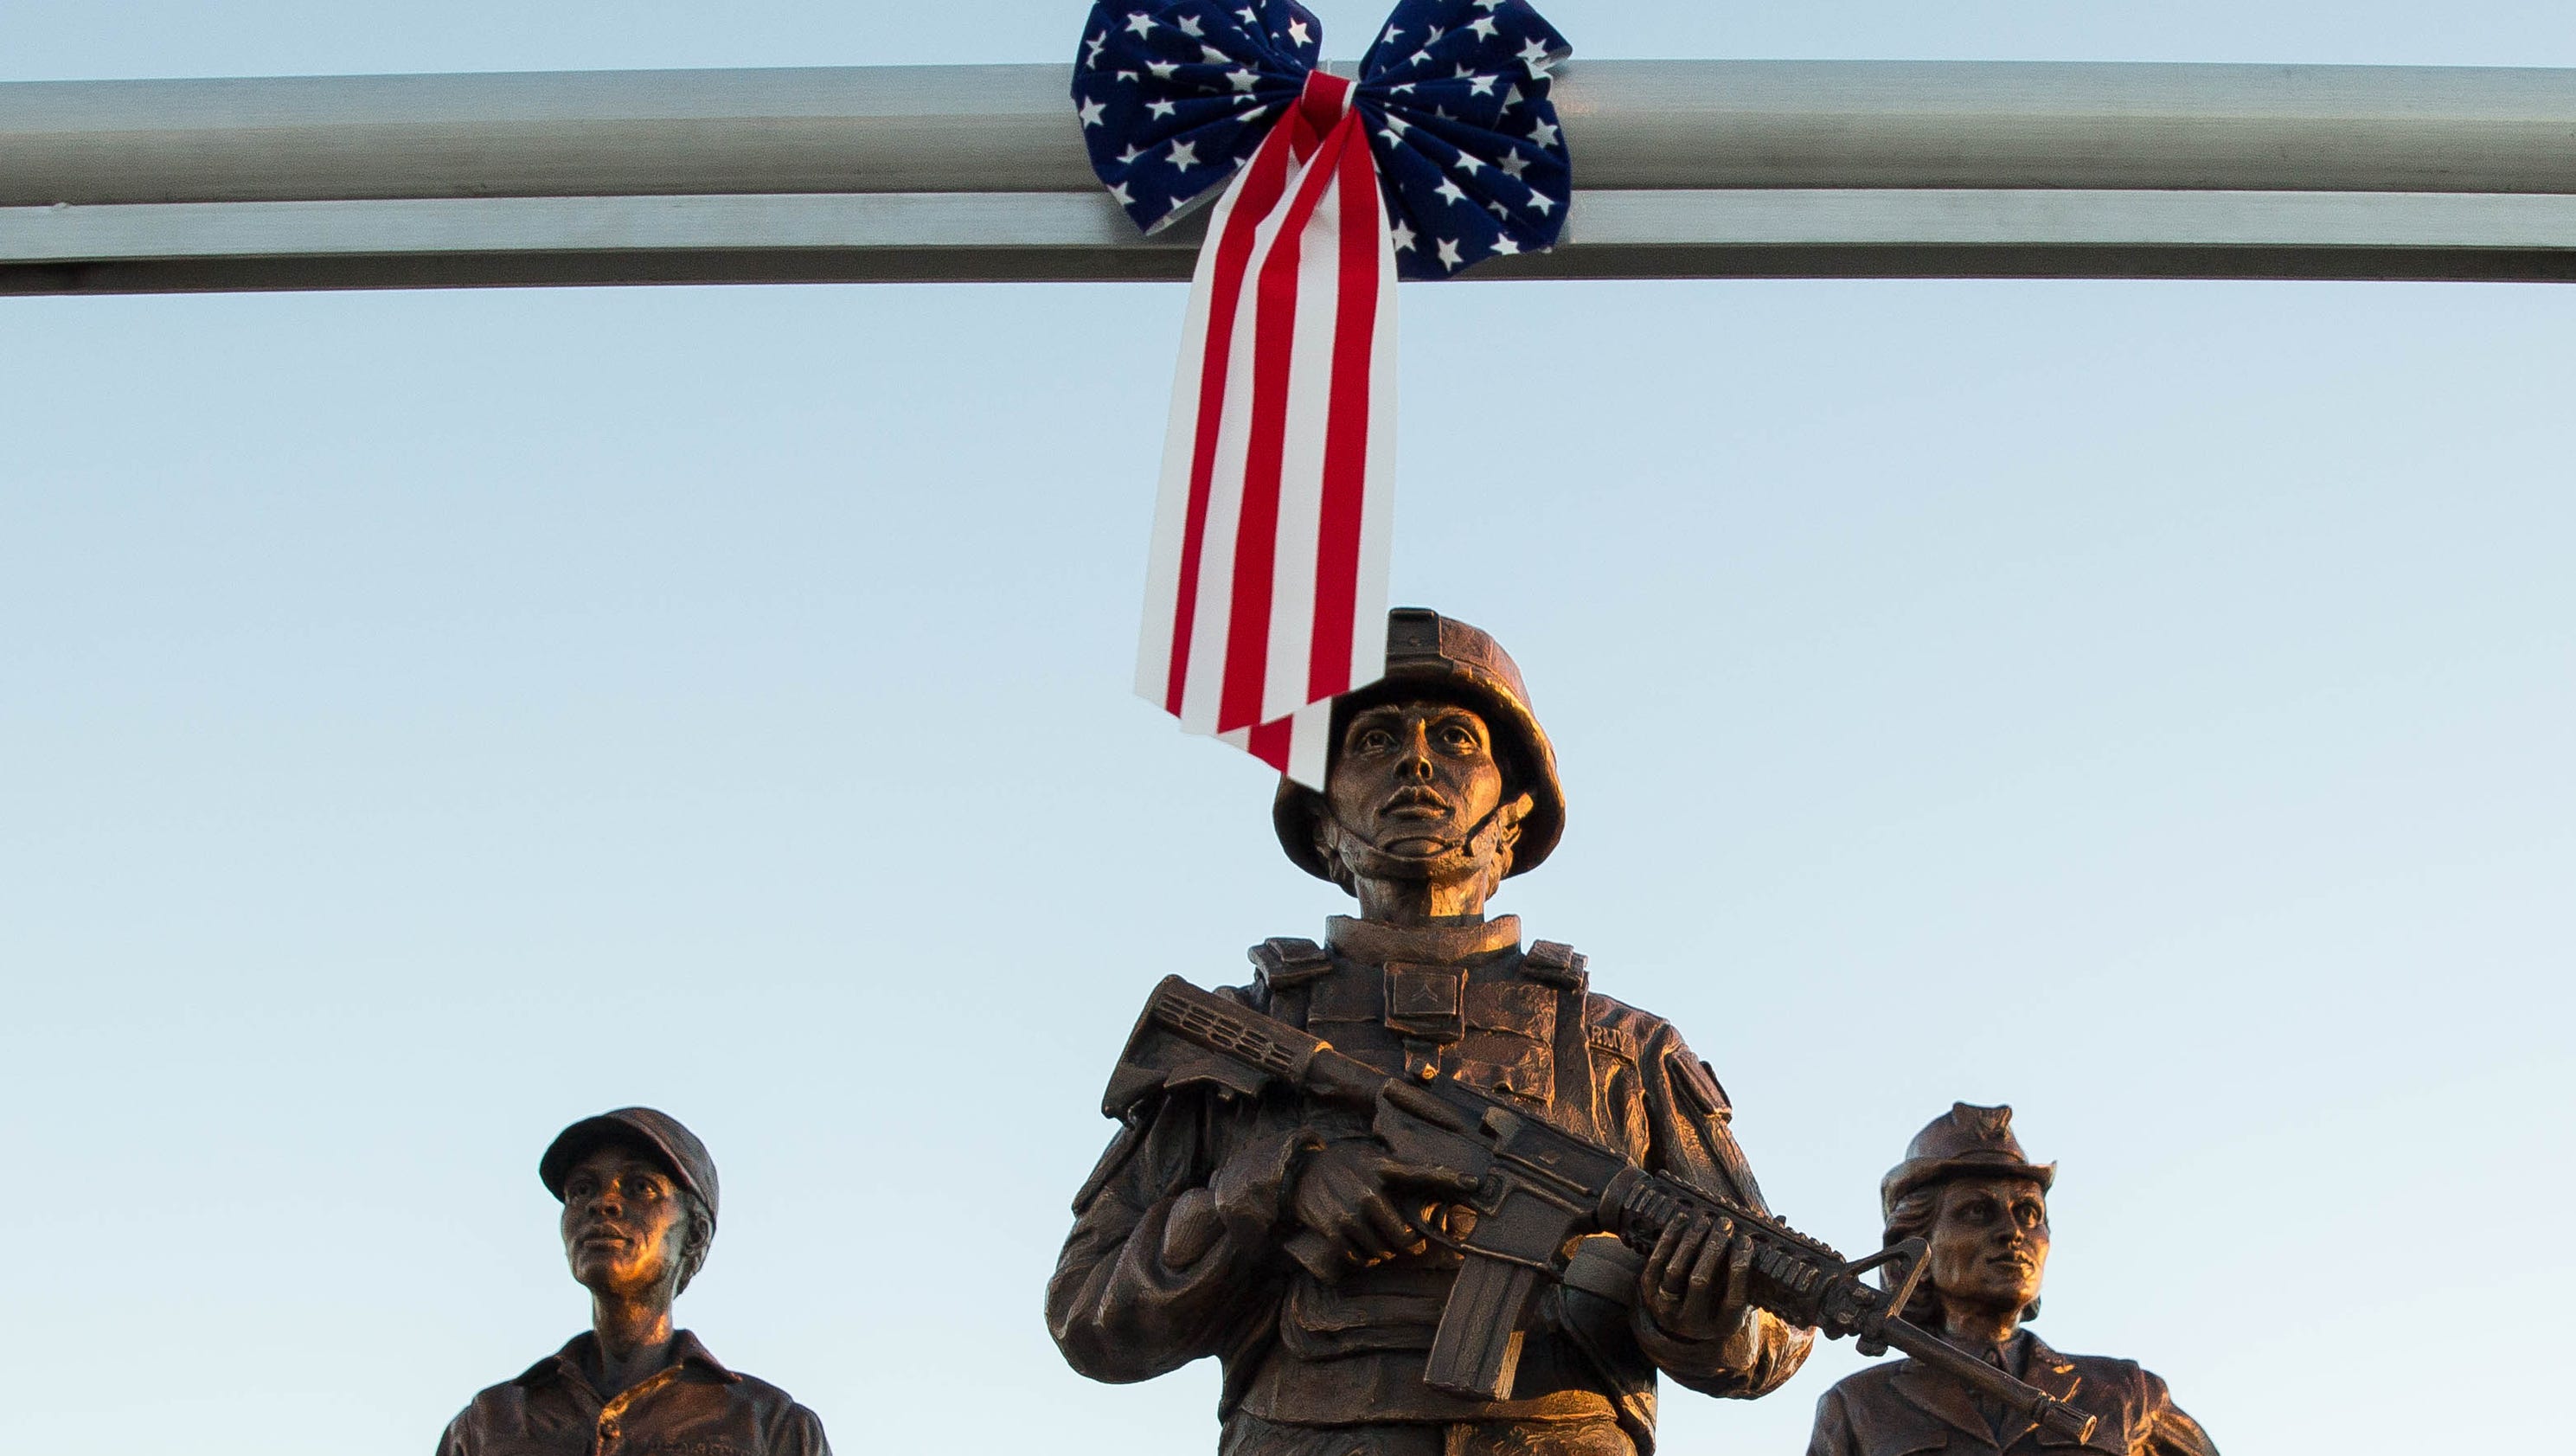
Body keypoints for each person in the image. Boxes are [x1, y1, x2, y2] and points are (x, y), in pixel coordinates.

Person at [1049, 608, 1811, 1456]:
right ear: (1319, 818)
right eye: (1374, 740)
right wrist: (1258, 1192)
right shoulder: (1236, 1039)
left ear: (1514, 813)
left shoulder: (1621, 1051)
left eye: (1455, 738)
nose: (1415, 760)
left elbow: (1772, 1333)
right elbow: (1089, 1317)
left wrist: (1701, 1316)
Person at [1805, 1103, 2217, 1456]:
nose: (2012, 1232)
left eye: (2029, 1213)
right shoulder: (1859, 1407)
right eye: (1976, 1212)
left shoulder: (2125, 1394)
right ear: (1916, 1254)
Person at [439, 1107, 831, 1456]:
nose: (602, 1203)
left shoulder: (772, 1428)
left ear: (694, 1234)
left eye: (640, 1187)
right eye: (581, 1189)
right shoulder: (487, 1427)